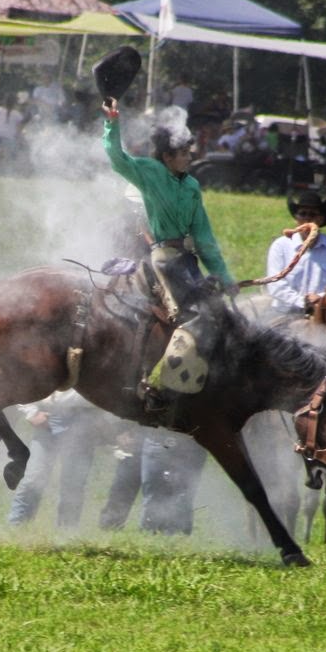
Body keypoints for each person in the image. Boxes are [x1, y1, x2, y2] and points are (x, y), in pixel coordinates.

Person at [101, 96, 235, 418]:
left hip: (187, 260)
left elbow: (205, 238)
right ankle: (157, 383)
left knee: (215, 313)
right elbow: (117, 158)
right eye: (185, 152)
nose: (191, 156)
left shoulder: (191, 186)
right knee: (191, 317)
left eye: (190, 151)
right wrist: (112, 122)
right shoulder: (148, 172)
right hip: (162, 257)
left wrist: (225, 278)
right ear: (167, 156)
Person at [6, 391, 108, 528]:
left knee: (73, 484)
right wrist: (32, 413)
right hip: (49, 417)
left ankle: (66, 535)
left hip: (85, 419)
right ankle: (16, 528)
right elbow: (25, 382)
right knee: (34, 478)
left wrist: (103, 419)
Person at [265, 190, 326, 315]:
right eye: (303, 214)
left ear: (321, 220)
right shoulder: (281, 246)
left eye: (312, 215)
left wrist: (322, 298)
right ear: (296, 218)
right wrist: (303, 302)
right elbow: (275, 284)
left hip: (322, 314)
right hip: (285, 313)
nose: (307, 220)